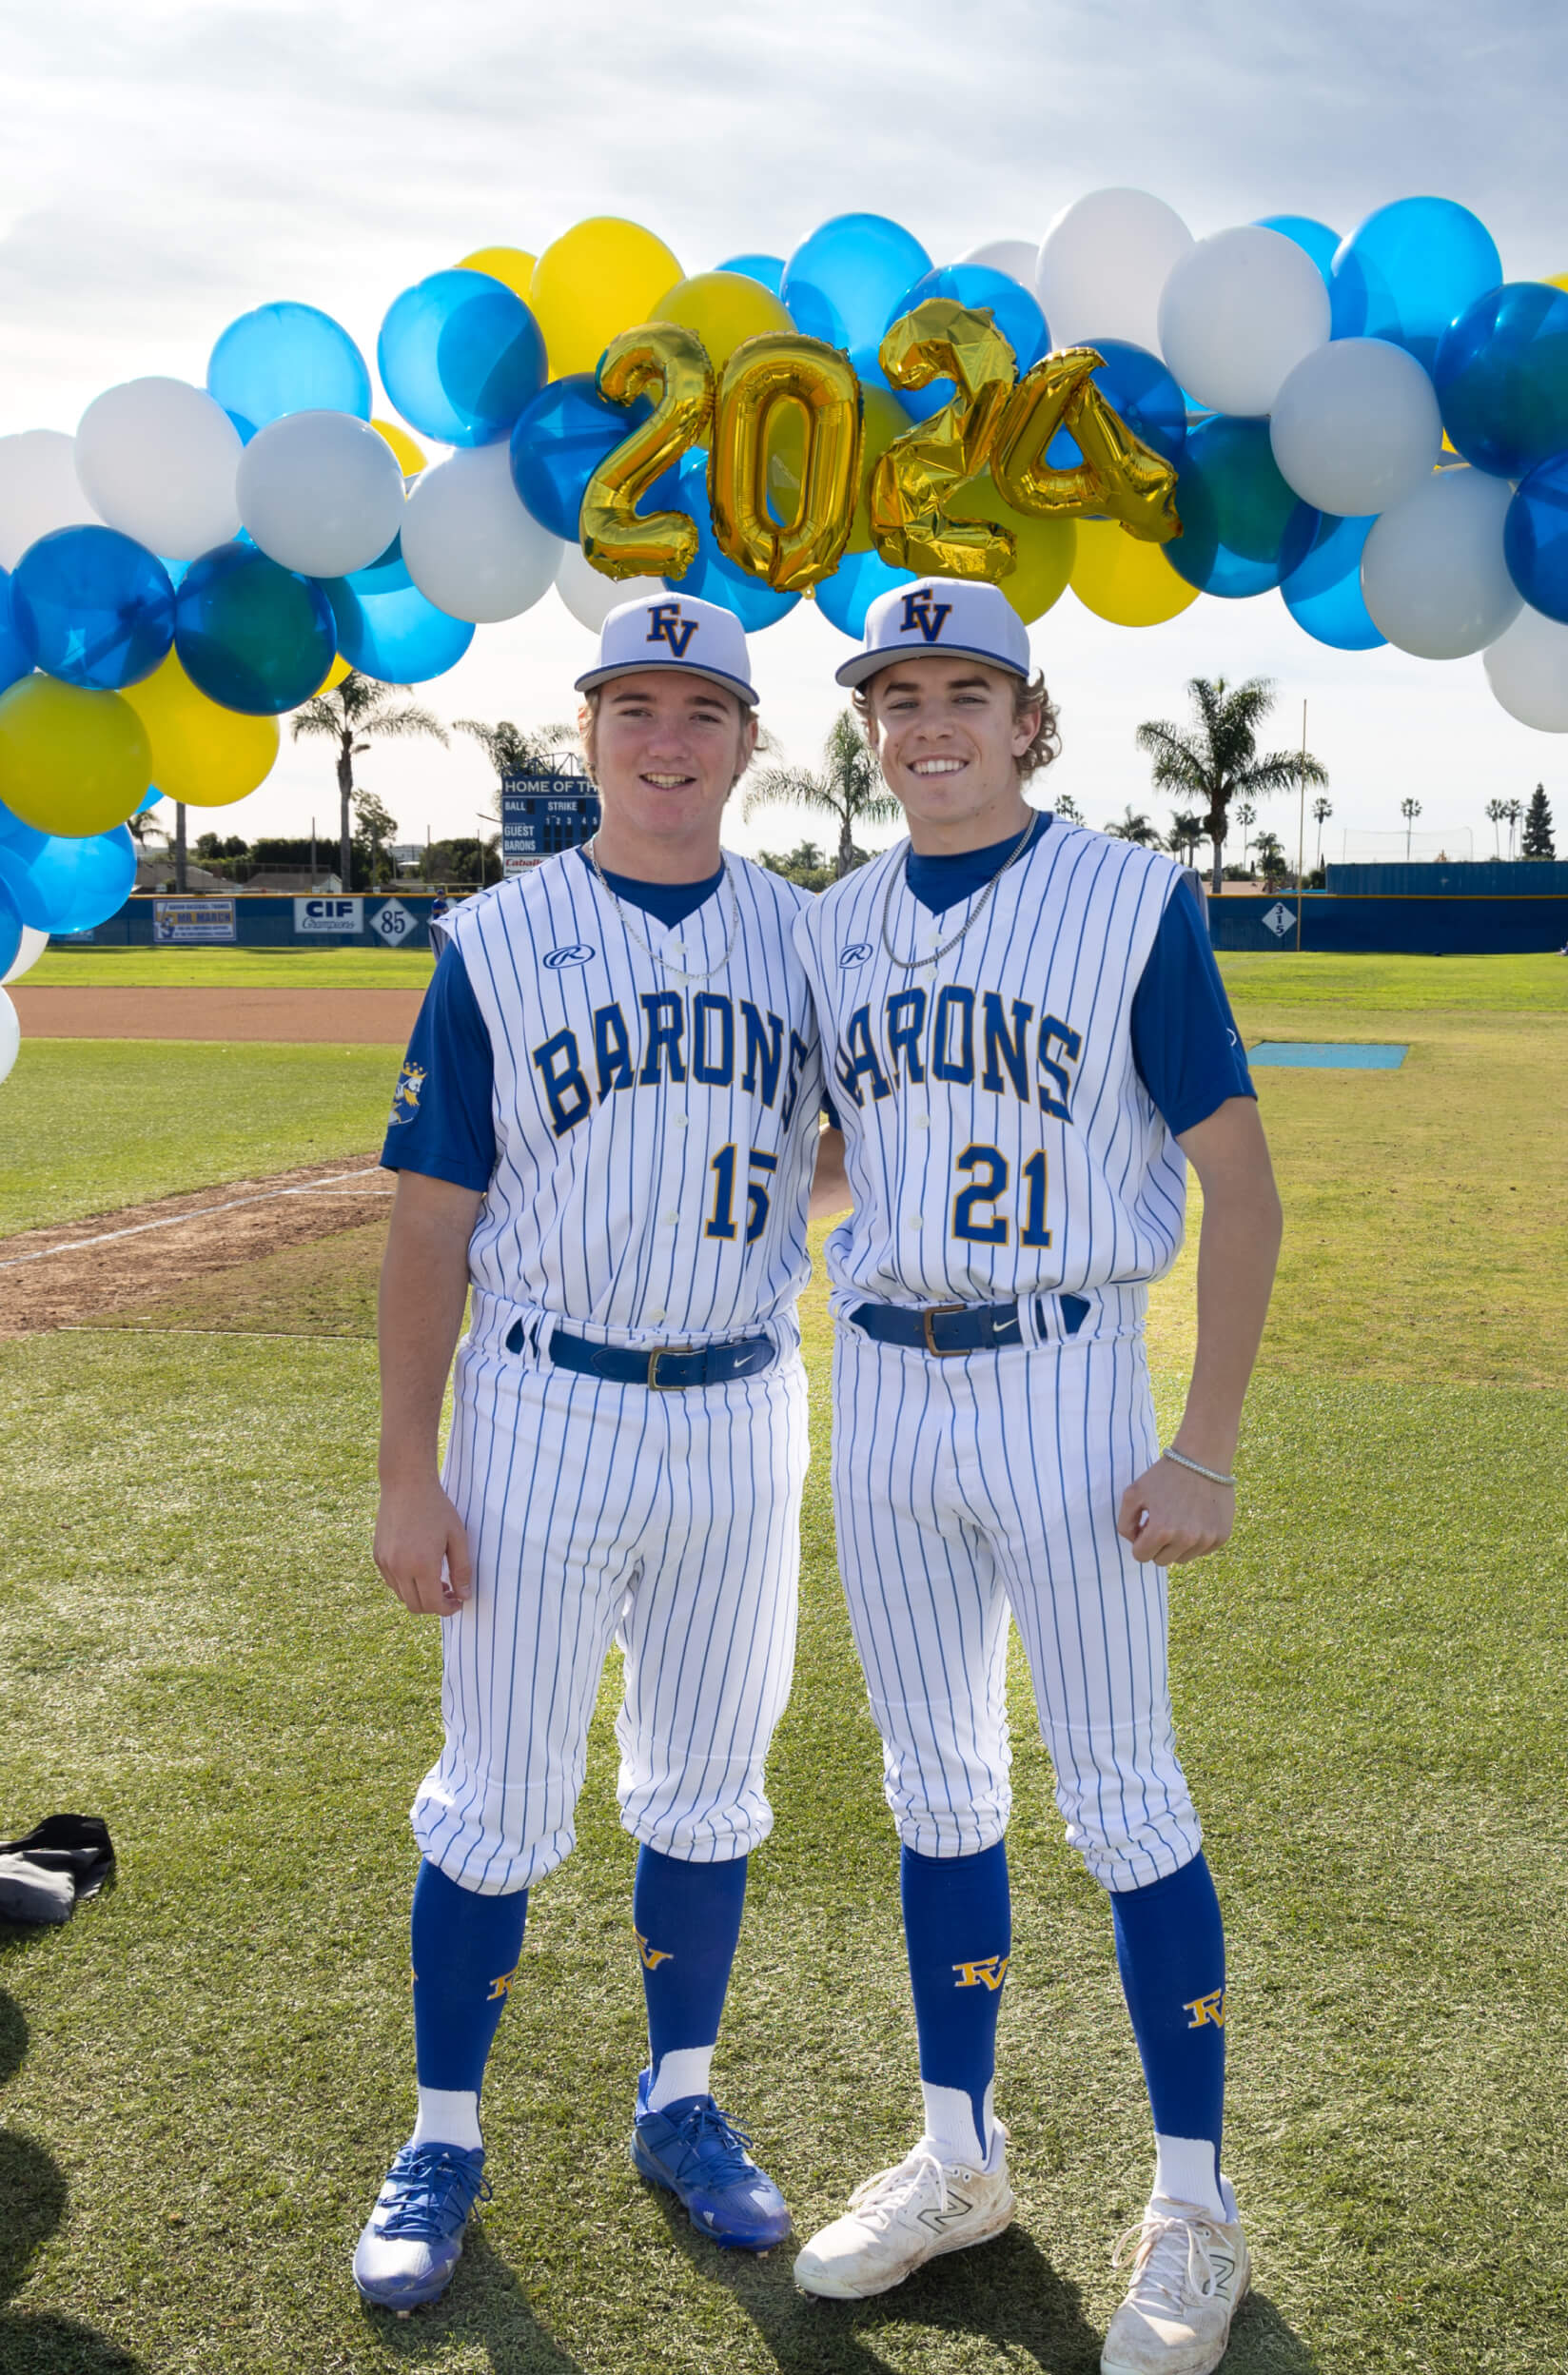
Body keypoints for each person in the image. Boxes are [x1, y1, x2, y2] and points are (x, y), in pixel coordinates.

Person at [790, 579, 1282, 2375]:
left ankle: (1194, 2201)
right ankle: (958, 2157)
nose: (928, 726)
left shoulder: (1132, 896)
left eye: (964, 693)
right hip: (891, 1390)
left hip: (1074, 1382)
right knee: (935, 1786)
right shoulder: (831, 928)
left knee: (1127, 1799)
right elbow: (845, 1157)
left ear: (1028, 718)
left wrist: (1204, 1444)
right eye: (896, 694)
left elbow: (1244, 1182)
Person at [355, 591, 833, 2312]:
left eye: (700, 711)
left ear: (746, 744)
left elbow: (850, 1150)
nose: (666, 739)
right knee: (494, 1800)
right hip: (543, 1407)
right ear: (589, 735)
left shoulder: (811, 939)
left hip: (739, 1404)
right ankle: (444, 2134)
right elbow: (429, 1226)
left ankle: (681, 2103)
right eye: (634, 707)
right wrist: (411, 1472)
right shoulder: (493, 941)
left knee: (709, 1783)